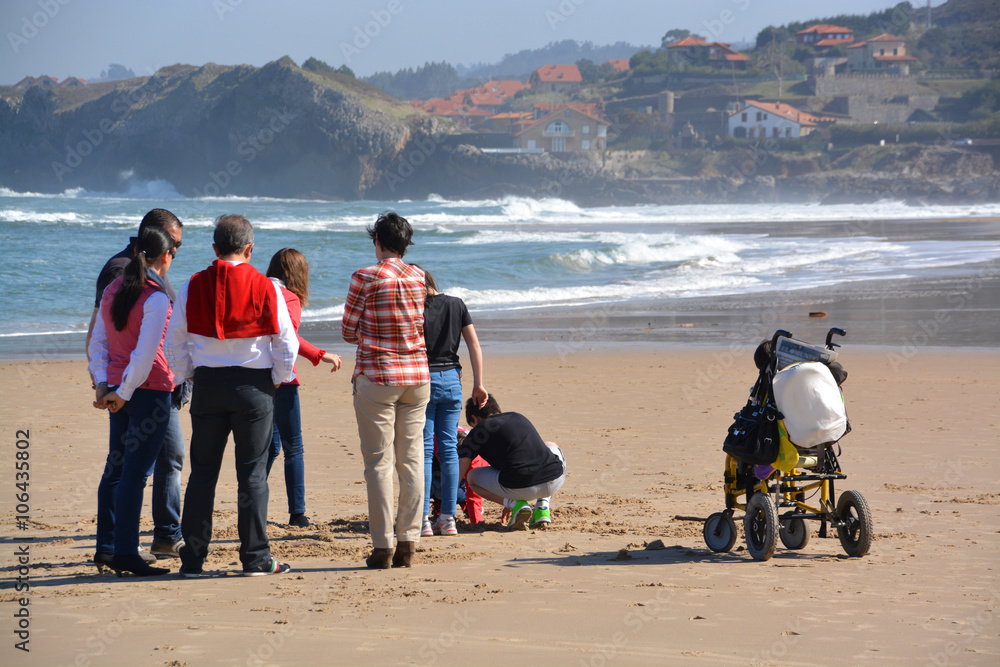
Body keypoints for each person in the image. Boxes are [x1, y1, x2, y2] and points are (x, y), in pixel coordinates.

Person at [165, 214, 298, 577]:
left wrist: (189, 374)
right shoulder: (267, 286)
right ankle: (255, 557)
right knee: (252, 476)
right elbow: (286, 342)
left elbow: (173, 340)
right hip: (254, 388)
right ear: (250, 249)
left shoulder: (194, 284)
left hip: (209, 385)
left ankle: (192, 560)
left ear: (214, 249)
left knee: (202, 475)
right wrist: (277, 380)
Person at [87, 208, 187, 561]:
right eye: (175, 247)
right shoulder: (149, 291)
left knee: (122, 469)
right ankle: (125, 549)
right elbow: (145, 353)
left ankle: (113, 547)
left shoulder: (120, 283)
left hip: (122, 387)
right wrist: (118, 390)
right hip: (146, 388)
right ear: (164, 253)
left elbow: (100, 338)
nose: (176, 253)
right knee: (134, 471)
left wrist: (106, 385)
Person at [342, 211, 429, 569]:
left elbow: (348, 329)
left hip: (378, 375)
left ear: (377, 241)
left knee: (378, 463)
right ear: (406, 244)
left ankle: (383, 545)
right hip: (417, 375)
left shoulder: (365, 276)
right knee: (411, 460)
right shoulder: (419, 276)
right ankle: (409, 541)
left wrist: (368, 335)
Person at [264, 248, 342, 528]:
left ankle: (253, 505)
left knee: (269, 448)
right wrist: (322, 355)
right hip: (282, 380)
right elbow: (290, 340)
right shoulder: (289, 298)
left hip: (255, 377)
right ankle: (297, 513)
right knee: (293, 447)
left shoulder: (258, 290)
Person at [416, 267, 487, 537]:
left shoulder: (416, 309)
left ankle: (423, 518)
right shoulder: (457, 304)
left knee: (423, 450)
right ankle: (447, 518)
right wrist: (478, 384)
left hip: (424, 379)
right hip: (452, 381)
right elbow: (474, 346)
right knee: (447, 449)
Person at [460, 396, 567, 530]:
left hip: (519, 486)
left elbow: (461, 466)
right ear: (497, 410)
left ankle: (516, 504)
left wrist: (449, 501)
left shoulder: (478, 431)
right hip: (553, 481)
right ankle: (542, 507)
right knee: (551, 445)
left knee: (472, 478)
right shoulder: (517, 417)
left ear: (474, 419)